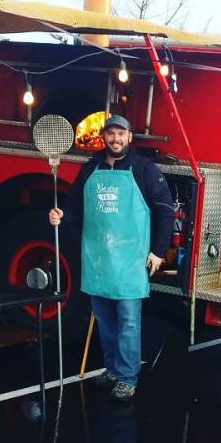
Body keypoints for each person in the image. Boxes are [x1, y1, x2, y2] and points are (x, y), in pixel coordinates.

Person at [49, 115, 174, 401]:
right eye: (111, 134)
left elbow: (165, 211)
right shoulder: (90, 167)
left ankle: (128, 377)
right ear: (103, 137)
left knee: (128, 320)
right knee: (104, 319)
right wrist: (61, 216)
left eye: (121, 134)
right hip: (99, 258)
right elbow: (74, 207)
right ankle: (113, 371)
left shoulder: (145, 169)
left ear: (130, 137)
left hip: (131, 260)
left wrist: (158, 251)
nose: (115, 139)